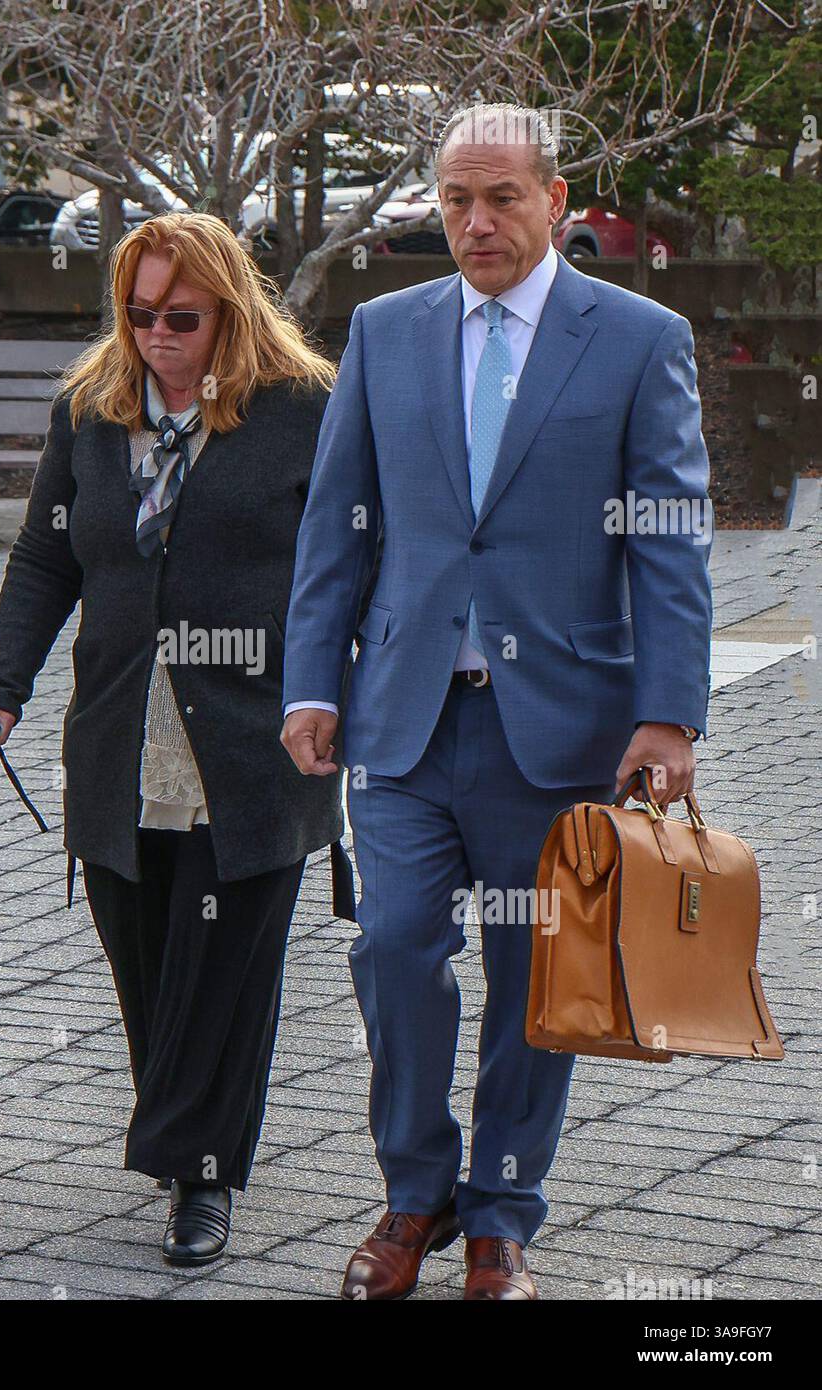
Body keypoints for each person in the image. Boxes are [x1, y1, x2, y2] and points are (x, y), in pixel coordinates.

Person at [281, 103, 712, 1300]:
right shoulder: (383, 331)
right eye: (455, 200)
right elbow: (334, 526)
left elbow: (669, 538)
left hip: (561, 724)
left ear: (554, 200)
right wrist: (312, 680)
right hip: (406, 717)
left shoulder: (635, 339)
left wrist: (670, 713)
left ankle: (501, 1217)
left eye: (500, 197)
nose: (475, 222)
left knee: (537, 978)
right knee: (397, 943)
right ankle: (415, 1192)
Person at [0, 211, 355, 1266]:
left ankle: (200, 1176)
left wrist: (344, 694)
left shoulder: (304, 409)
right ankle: (190, 1142)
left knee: (222, 974)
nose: (156, 336)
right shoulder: (92, 410)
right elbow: (47, 560)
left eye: (180, 317)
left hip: (260, 742)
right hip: (121, 739)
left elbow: (356, 564)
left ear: (228, 308)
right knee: (146, 968)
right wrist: (1, 684)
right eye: (137, 316)